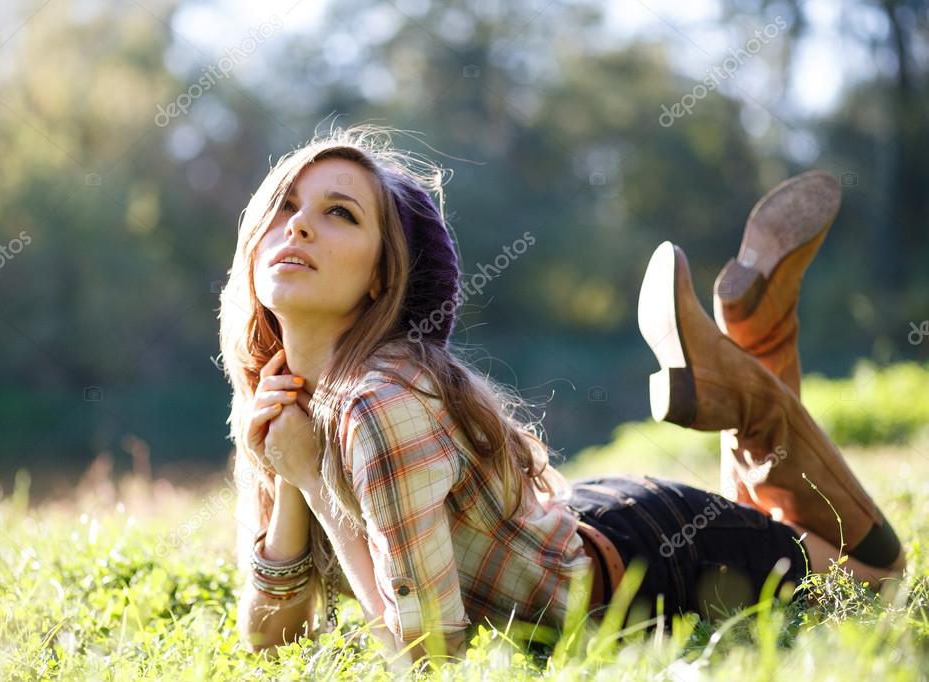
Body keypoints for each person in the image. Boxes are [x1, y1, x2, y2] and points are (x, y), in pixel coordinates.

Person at [217, 124, 905, 663]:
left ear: (379, 278)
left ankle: (752, 375)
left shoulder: (376, 404)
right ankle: (752, 338)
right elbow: (271, 639)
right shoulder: (281, 404)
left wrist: (310, 478)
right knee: (767, 513)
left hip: (647, 559)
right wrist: (292, 475)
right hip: (576, 520)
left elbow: (428, 654)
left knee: (876, 575)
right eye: (283, 205)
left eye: (339, 213)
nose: (297, 225)